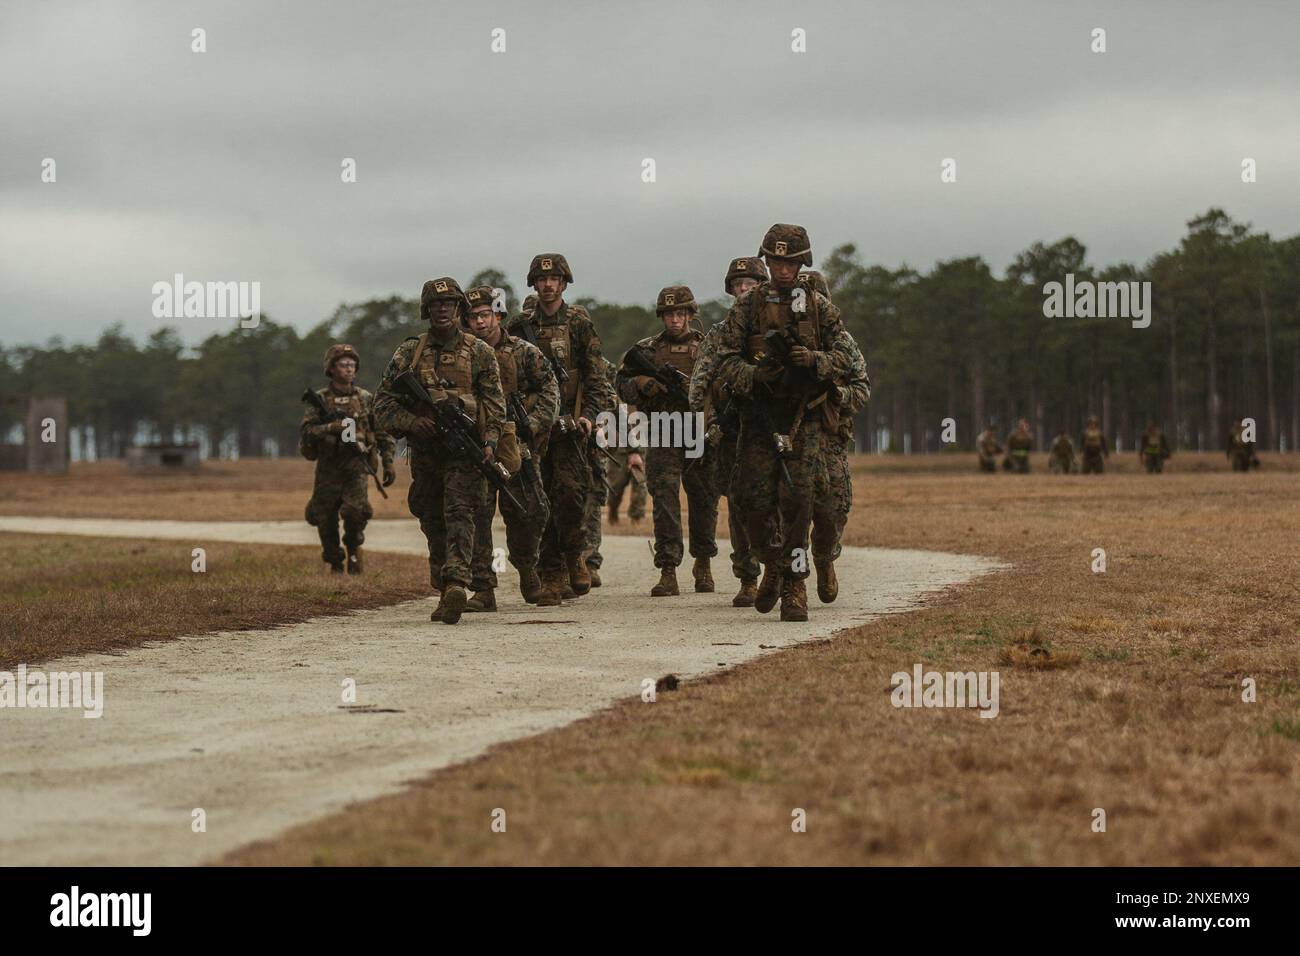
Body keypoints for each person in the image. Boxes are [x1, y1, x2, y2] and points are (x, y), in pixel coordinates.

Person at [712, 224, 861, 622]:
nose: (782, 268)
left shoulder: (820, 307)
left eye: (789, 261)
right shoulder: (747, 307)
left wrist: (815, 362)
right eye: (776, 260)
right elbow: (723, 361)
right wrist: (753, 375)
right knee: (749, 500)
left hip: (804, 418)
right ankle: (772, 562)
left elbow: (847, 357)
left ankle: (795, 584)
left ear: (802, 263)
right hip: (760, 418)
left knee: (799, 503)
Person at [373, 277, 506, 625]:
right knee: (431, 514)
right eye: (436, 305)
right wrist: (412, 422)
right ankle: (444, 582)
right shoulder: (409, 353)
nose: (443, 310)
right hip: (427, 452)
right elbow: (382, 405)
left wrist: (491, 442)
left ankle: (457, 582)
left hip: (466, 450)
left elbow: (494, 404)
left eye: (449, 304)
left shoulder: (479, 352)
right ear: (427, 310)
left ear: (460, 308)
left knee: (461, 511)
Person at [506, 254, 615, 601]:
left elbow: (595, 374)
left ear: (564, 283)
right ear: (534, 285)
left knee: (570, 494)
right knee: (540, 499)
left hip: (571, 425)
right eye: (541, 279)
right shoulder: (520, 326)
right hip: (535, 424)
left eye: (554, 279)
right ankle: (551, 572)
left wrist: (591, 415)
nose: (548, 285)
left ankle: (574, 555)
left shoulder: (579, 323)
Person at [461, 285, 559, 610]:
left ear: (498, 315)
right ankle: (484, 588)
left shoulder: (523, 351)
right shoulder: (463, 354)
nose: (479, 322)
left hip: (516, 444)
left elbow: (549, 387)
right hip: (475, 446)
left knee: (531, 511)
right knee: (478, 515)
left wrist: (535, 422)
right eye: (473, 316)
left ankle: (529, 574)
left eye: (485, 314)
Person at [616, 286, 718, 596]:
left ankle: (703, 564)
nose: (676, 319)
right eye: (670, 313)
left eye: (681, 313)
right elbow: (621, 385)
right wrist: (642, 384)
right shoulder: (646, 350)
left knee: (704, 500)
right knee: (664, 502)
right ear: (662, 316)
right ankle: (669, 568)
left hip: (697, 431)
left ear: (690, 314)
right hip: (662, 431)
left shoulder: (706, 348)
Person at [689, 255, 771, 606]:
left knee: (780, 503)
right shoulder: (720, 334)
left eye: (751, 286)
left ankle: (778, 570)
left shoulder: (780, 329)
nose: (743, 291)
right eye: (738, 286)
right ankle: (748, 577)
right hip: (733, 431)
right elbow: (699, 383)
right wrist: (707, 422)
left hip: (773, 429)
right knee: (739, 504)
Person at [801, 270, 869, 604]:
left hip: (829, 437)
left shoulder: (842, 341)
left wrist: (838, 395)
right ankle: (791, 580)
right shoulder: (778, 339)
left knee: (834, 509)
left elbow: (862, 387)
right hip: (791, 438)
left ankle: (825, 558)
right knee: (789, 510)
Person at [299, 344, 395, 574]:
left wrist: (388, 461)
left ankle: (353, 548)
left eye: (352, 365)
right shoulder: (320, 400)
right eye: (343, 365)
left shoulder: (365, 399)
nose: (349, 369)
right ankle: (334, 561)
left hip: (356, 466)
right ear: (331, 369)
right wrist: (331, 427)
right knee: (324, 516)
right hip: (328, 467)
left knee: (356, 511)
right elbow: (307, 432)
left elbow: (382, 432)